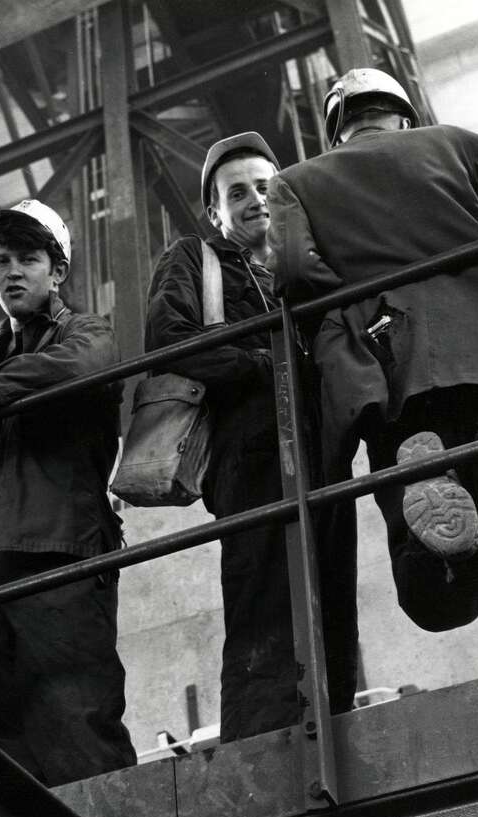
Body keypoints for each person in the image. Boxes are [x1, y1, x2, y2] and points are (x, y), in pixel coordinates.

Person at [267, 67, 478, 632]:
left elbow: (293, 272)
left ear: (338, 129)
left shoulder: (295, 182)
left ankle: (440, 565)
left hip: (390, 371)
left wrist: (362, 295)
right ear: (403, 113)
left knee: (436, 603)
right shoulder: (459, 144)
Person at [144, 132, 358, 743]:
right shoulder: (196, 259)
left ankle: (335, 734)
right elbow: (168, 334)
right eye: (237, 193)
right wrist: (267, 366)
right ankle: (266, 754)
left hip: (322, 454)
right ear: (216, 212)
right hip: (251, 457)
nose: (255, 200)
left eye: (265, 187)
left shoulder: (305, 267)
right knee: (263, 607)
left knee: (333, 599)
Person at [0, 199, 136, 786]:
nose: (11, 272)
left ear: (56, 272)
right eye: (0, 260)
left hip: (57, 553)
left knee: (76, 722)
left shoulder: (84, 332)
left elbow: (85, 364)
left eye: (28, 260)